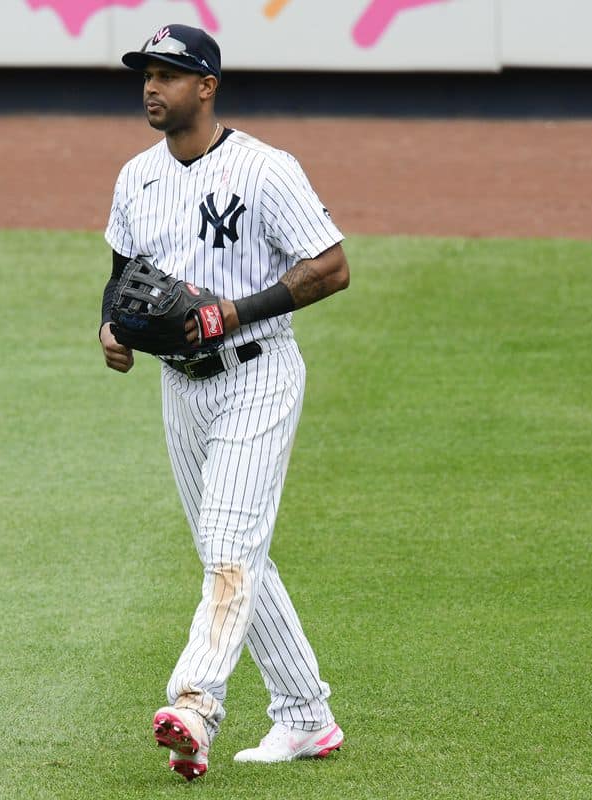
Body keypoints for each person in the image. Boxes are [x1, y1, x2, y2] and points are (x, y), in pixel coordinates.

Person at [98, 23, 350, 782]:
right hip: (181, 386)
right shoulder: (136, 176)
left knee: (230, 548)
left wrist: (233, 312)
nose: (152, 86)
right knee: (232, 552)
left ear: (206, 87)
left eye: (169, 75)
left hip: (257, 372)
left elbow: (331, 267)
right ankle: (305, 716)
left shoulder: (266, 169)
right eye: (146, 73)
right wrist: (109, 327)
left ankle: (196, 702)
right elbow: (122, 273)